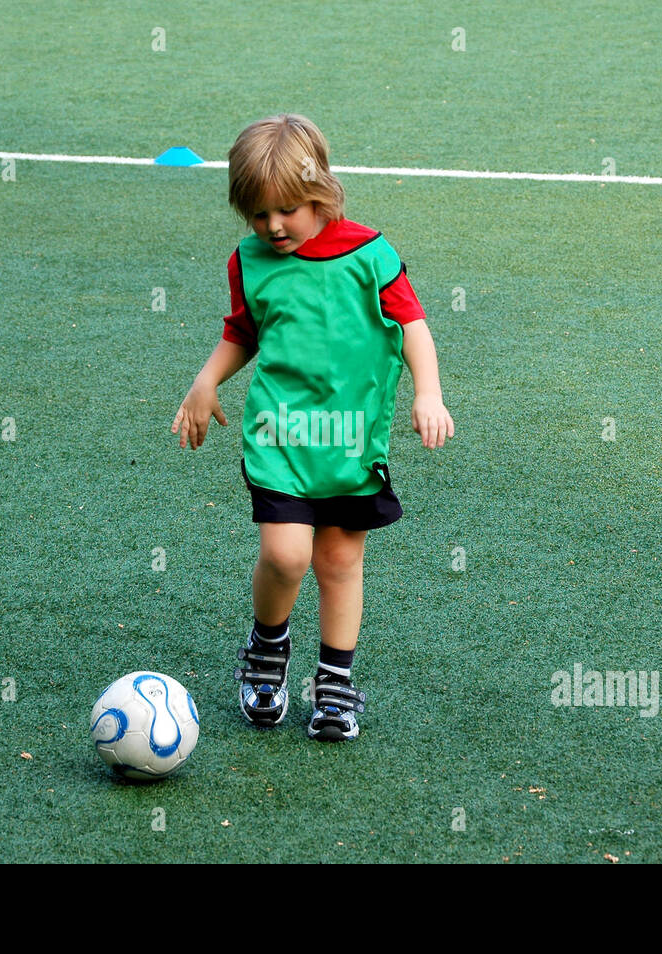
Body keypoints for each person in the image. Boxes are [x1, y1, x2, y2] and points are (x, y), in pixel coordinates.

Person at [172, 113, 453, 741]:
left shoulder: (371, 255)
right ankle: (268, 650)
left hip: (350, 443)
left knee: (337, 558)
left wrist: (428, 393)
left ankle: (334, 683)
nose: (273, 226)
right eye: (258, 215)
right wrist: (205, 380)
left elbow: (413, 326)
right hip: (280, 437)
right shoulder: (249, 261)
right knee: (285, 553)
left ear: (321, 193)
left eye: (288, 210)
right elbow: (244, 331)